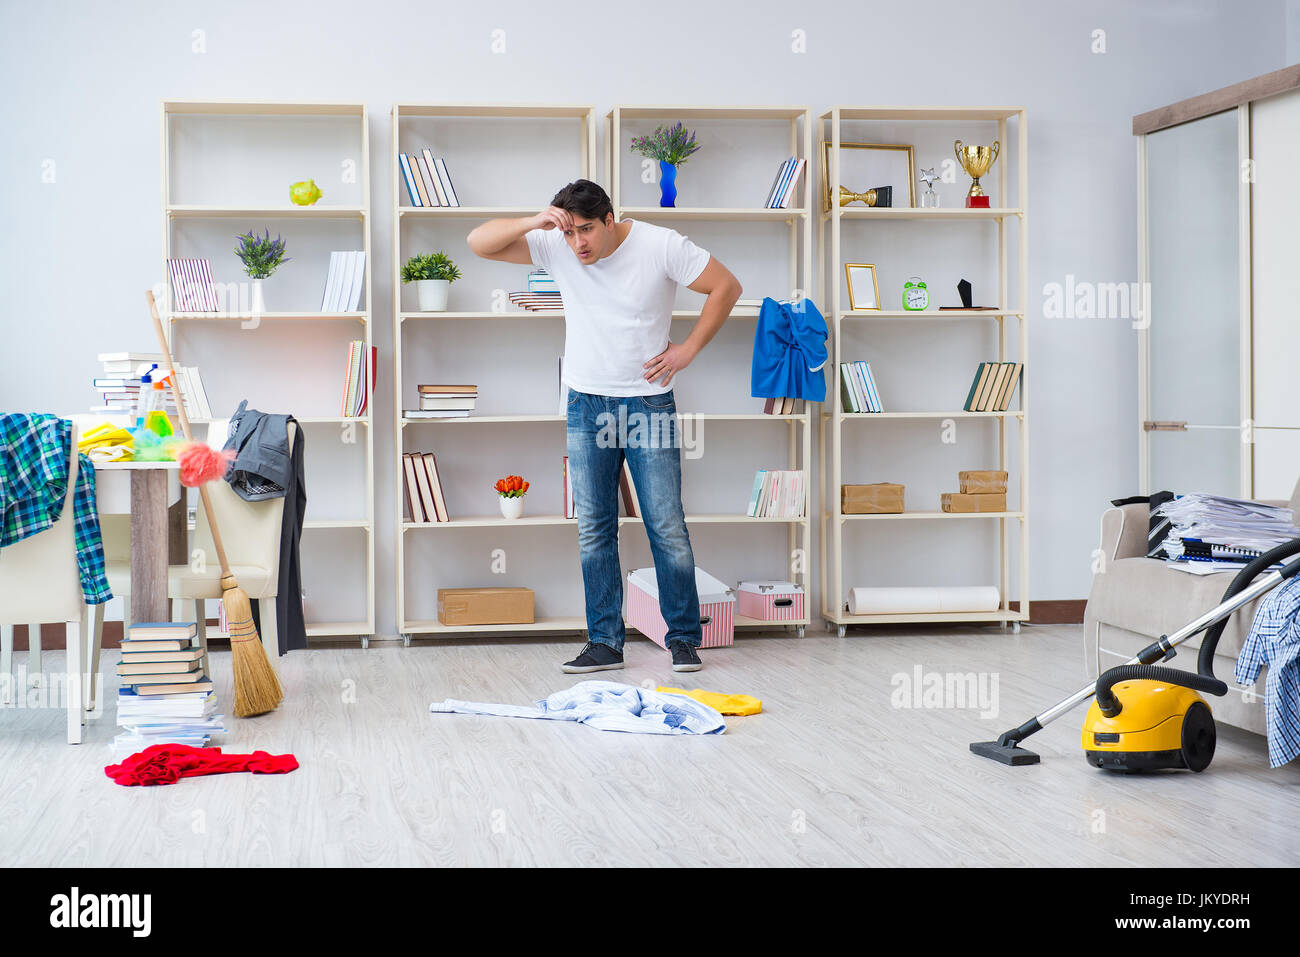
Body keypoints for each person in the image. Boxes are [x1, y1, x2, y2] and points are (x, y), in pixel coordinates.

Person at [467, 179, 742, 673]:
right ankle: (605, 643)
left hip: (648, 404)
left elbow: (726, 287)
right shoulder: (557, 243)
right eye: (570, 232)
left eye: (587, 230)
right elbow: (478, 243)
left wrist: (688, 350)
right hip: (585, 402)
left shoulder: (660, 245)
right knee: (595, 529)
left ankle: (682, 637)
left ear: (609, 219)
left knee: (666, 525)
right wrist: (538, 220)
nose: (579, 244)